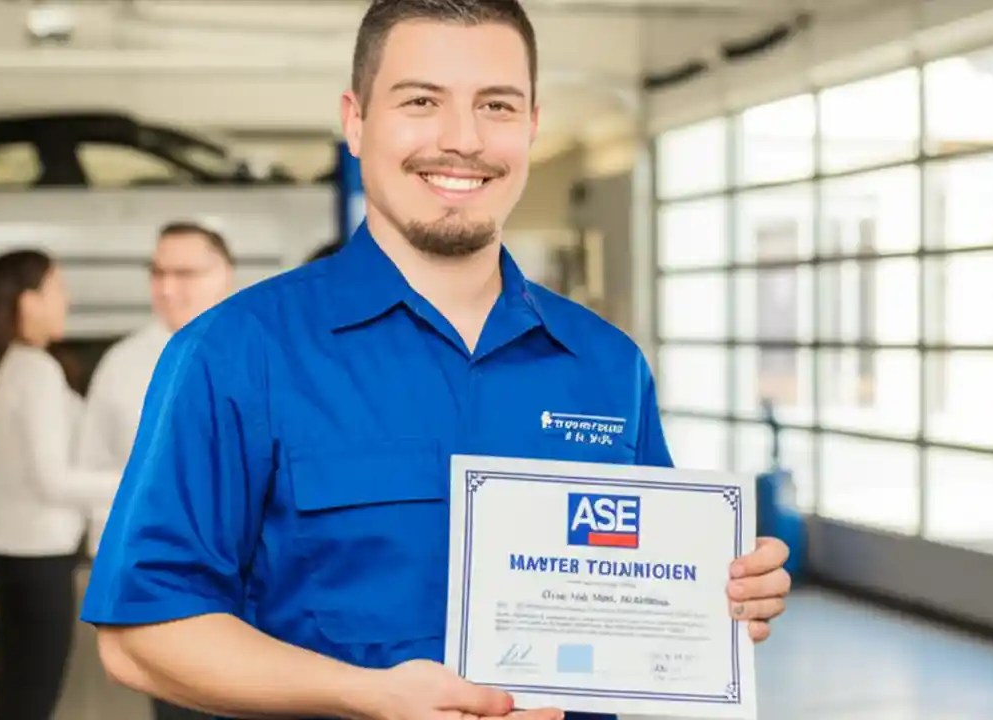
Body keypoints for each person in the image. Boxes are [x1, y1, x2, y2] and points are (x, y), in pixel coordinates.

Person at [81, 2, 793, 720]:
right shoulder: (235, 354)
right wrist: (367, 696)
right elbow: (139, 636)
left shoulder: (606, 366)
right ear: (355, 121)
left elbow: (642, 598)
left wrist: (724, 592)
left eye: (497, 105)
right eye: (422, 101)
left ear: (532, 125)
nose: (463, 139)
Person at [77, 221, 235, 720]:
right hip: (168, 588)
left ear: (224, 275)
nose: (168, 287)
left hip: (262, 585)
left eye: (185, 273)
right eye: (158, 273)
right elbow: (94, 466)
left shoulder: (262, 352)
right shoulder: (121, 365)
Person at [0, 250, 123, 720]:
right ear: (28, 302)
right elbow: (52, 480)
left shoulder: (10, 368)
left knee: (19, 695)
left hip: (16, 552)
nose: (67, 300)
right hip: (37, 556)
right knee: (31, 698)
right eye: (58, 289)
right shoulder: (34, 372)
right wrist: (136, 484)